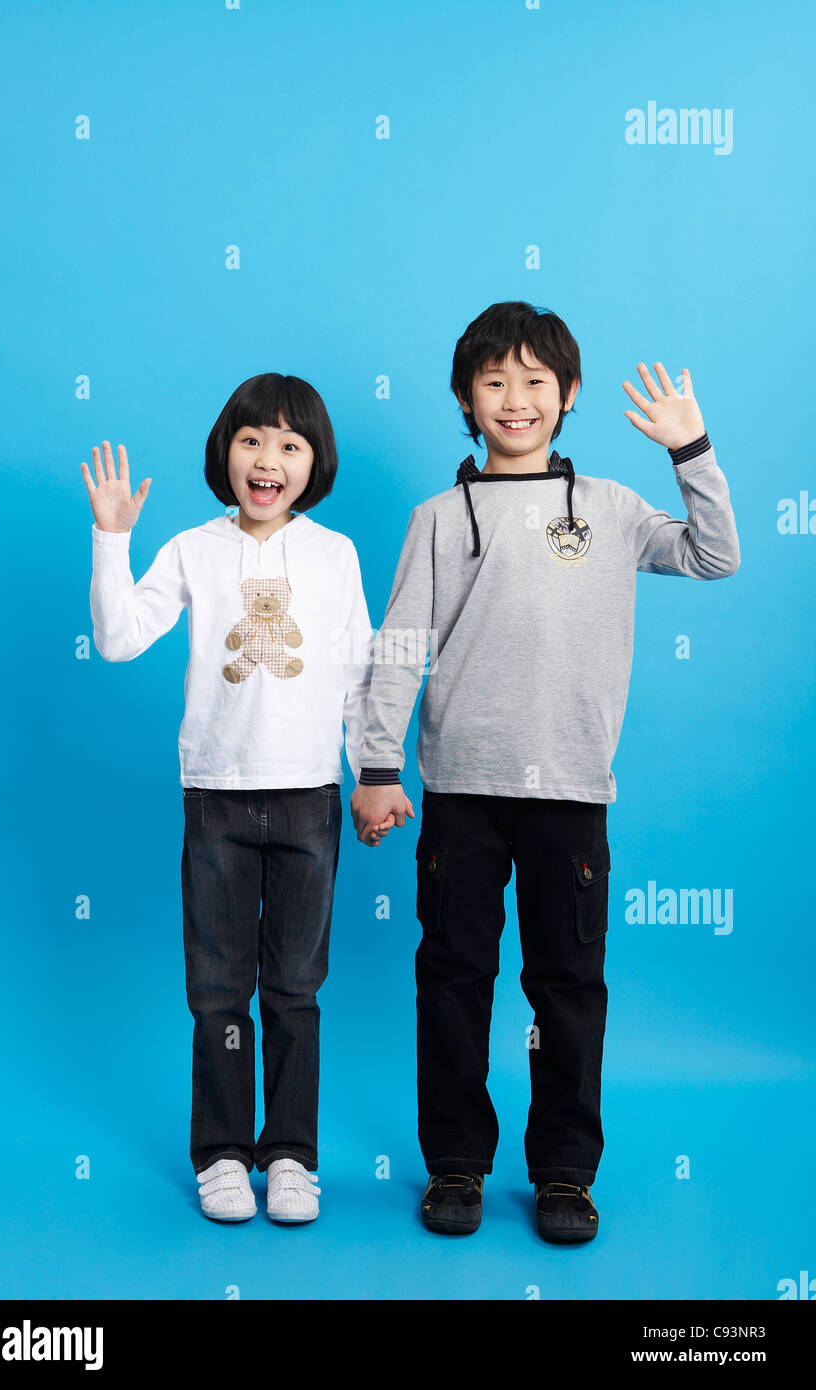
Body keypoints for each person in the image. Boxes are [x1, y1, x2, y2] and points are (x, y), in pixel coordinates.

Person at [350, 301, 740, 1242]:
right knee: (453, 978)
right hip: (464, 791)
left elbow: (715, 556)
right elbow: (400, 641)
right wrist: (373, 761)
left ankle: (565, 1172)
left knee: (567, 987)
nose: (514, 399)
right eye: (494, 382)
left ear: (567, 395)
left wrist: (693, 454)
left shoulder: (606, 507)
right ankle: (455, 1166)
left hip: (571, 789)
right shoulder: (440, 517)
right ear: (464, 398)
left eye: (534, 382)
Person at [82, 373, 384, 1224]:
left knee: (294, 986)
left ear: (314, 463)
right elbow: (116, 639)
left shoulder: (334, 556)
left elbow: (360, 676)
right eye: (252, 439)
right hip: (215, 796)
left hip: (309, 800)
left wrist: (373, 777)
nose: (269, 459)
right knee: (218, 990)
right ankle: (221, 1153)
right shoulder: (191, 548)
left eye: (291, 444)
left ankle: (289, 1152)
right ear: (226, 451)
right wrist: (113, 540)